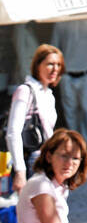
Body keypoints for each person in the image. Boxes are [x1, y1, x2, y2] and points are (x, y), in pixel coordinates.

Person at [6, 42, 63, 191]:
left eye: (58, 64)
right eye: (50, 64)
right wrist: (20, 171)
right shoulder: (25, 91)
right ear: (38, 65)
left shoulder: (48, 95)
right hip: (31, 162)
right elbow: (13, 133)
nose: (55, 69)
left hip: (47, 161)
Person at [51, 18, 87, 155]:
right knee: (71, 114)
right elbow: (54, 48)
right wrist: (56, 74)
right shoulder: (61, 22)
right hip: (67, 74)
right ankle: (74, 150)